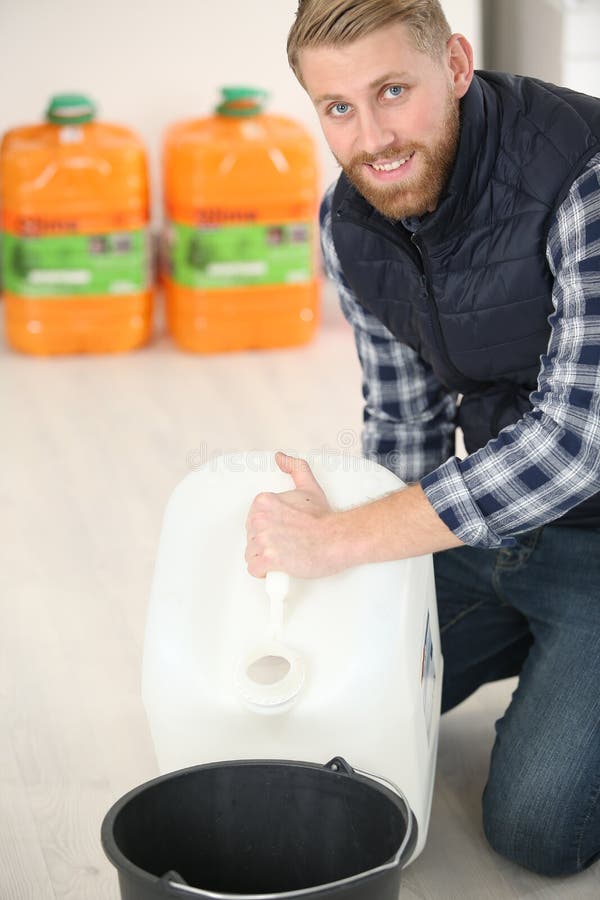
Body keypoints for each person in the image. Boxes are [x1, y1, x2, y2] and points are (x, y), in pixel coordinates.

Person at [245, 0, 600, 877]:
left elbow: (577, 446)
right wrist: (363, 541)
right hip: (496, 525)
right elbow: (406, 418)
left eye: (392, 90)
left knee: (537, 830)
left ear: (454, 66)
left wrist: (351, 538)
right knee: (318, 699)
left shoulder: (581, 168)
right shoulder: (352, 223)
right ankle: (542, 642)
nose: (372, 138)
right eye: (338, 108)